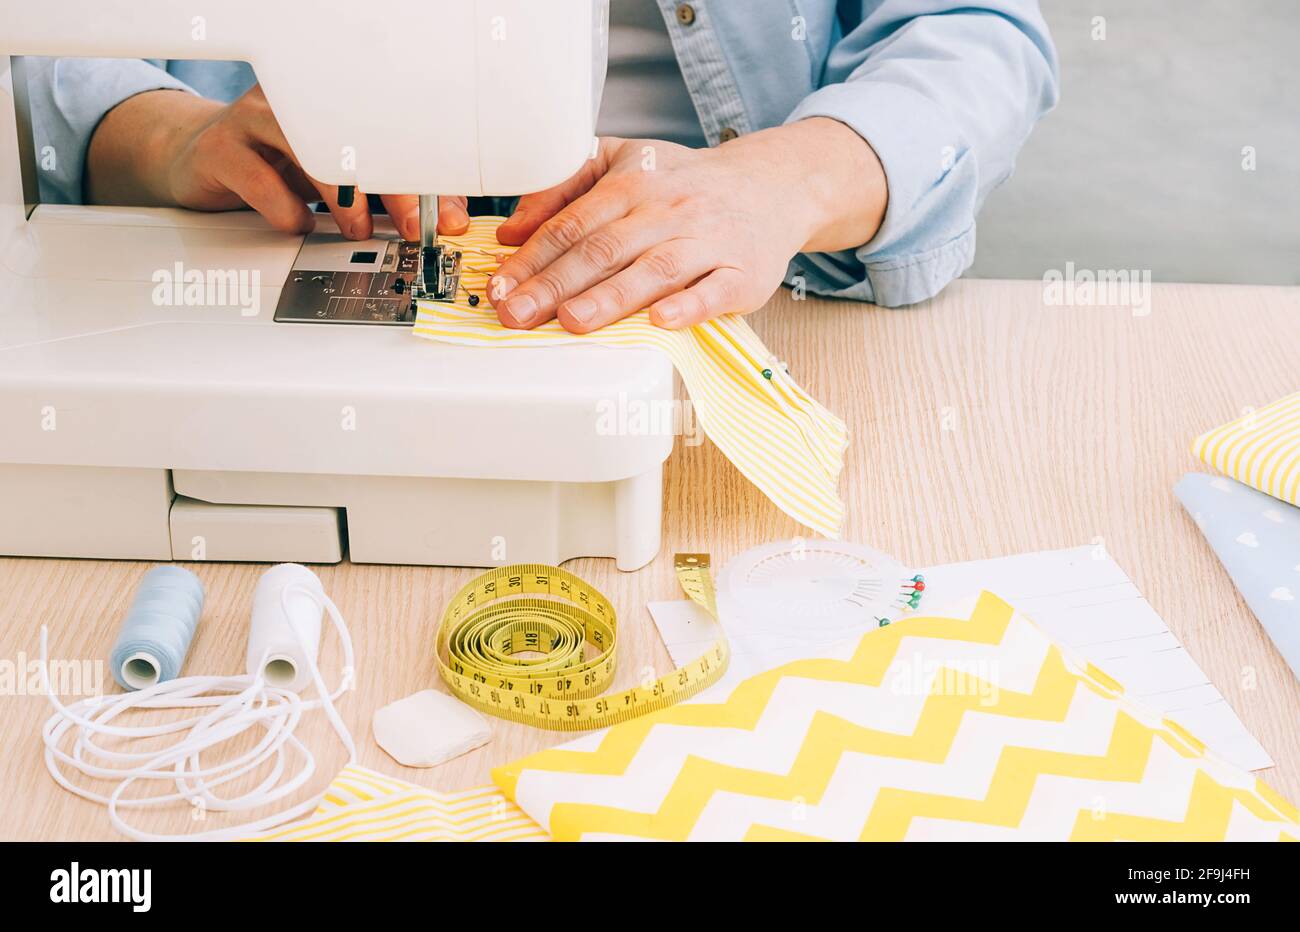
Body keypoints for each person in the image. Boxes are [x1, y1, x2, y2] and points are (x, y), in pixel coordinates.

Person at [26, 1, 1057, 333]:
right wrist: (167, 134)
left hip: (768, 302)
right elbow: (52, 53)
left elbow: (976, 35)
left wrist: (782, 182)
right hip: (259, 251)